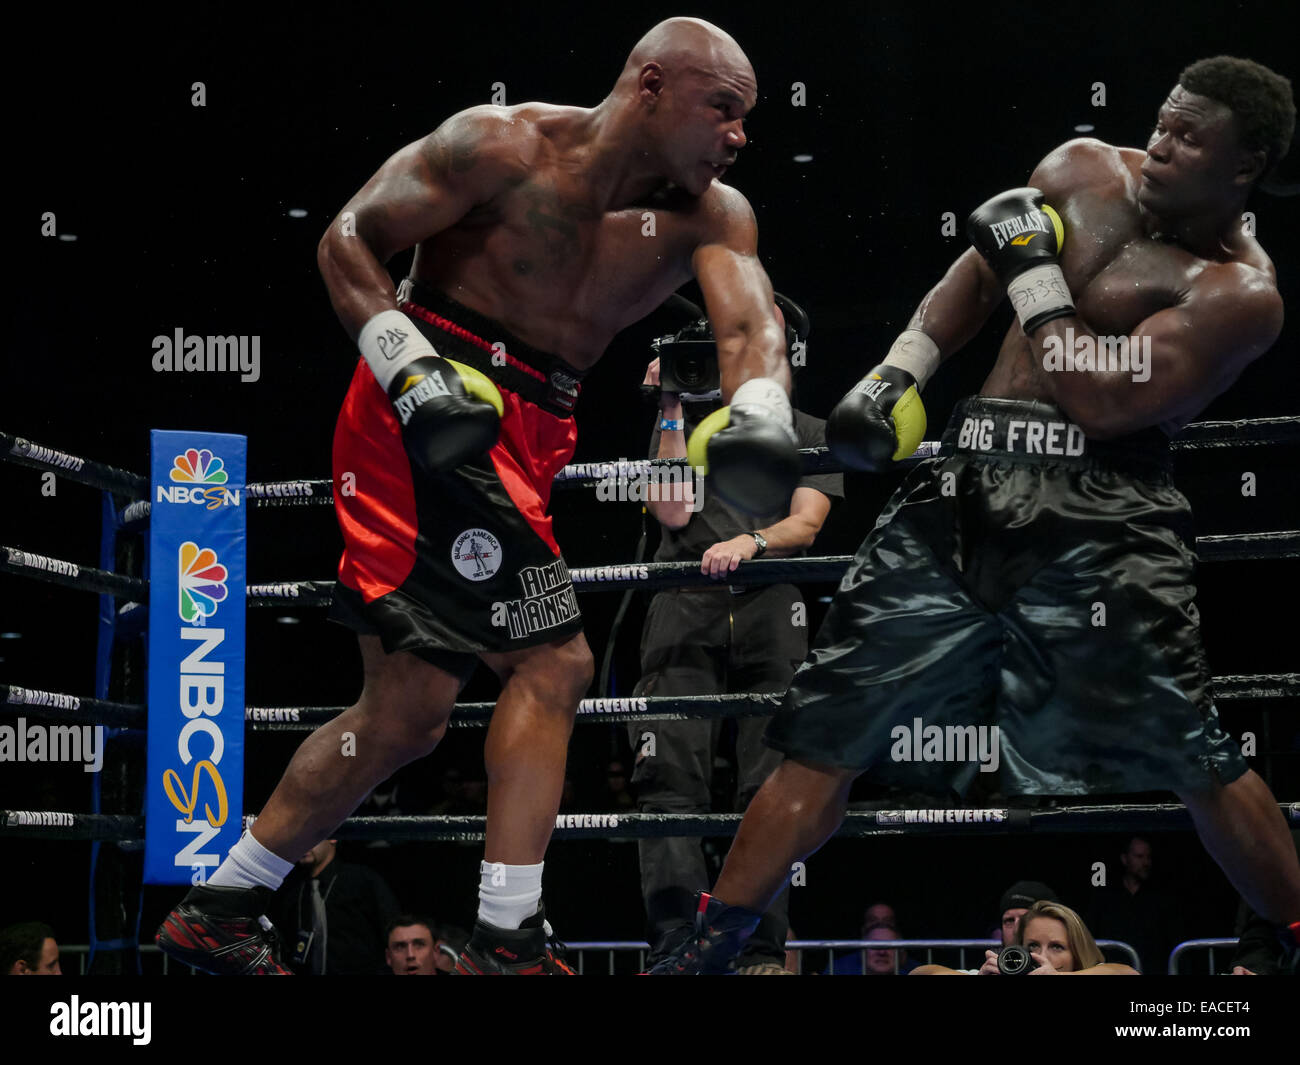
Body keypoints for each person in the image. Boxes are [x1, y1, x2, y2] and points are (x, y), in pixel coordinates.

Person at [157, 16, 798, 976]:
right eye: (725, 109)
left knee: (405, 717)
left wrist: (761, 411)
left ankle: (224, 902)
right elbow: (348, 239)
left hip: (536, 430)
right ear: (651, 85)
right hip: (426, 408)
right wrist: (407, 369)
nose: (740, 134)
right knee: (554, 662)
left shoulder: (714, 214)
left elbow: (750, 321)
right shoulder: (500, 146)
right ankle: (509, 937)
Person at [649, 56, 1300, 975]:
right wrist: (897, 371)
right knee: (826, 730)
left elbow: (1106, 400)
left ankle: (1282, 943)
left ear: (1246, 165)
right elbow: (977, 273)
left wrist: (1037, 273)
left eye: (1191, 137)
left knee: (1189, 746)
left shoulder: (1241, 293)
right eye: (1163, 120)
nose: (1159, 143)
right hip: (966, 485)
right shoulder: (1080, 167)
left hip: (1103, 508)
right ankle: (715, 944)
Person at [632, 336, 841, 975]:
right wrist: (670, 400)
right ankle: (675, 945)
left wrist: (751, 541)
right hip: (681, 592)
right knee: (667, 779)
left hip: (773, 599)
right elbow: (668, 510)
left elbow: (807, 523)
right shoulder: (686, 425)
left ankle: (756, 948)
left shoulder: (807, 428)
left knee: (771, 780)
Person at [272, 839, 400, 975]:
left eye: (312, 834)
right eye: (300, 837)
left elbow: (392, 928)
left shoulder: (360, 880)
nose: (302, 843)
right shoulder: (293, 891)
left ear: (332, 837)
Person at [911, 879, 1059, 974]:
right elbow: (920, 972)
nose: (1016, 929)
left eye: (1026, 920)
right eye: (1009, 920)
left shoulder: (1070, 969)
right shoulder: (988, 971)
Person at [1086, 836, 1175, 972]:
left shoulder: (1161, 899)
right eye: (1139, 857)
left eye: (1148, 857)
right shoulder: (1106, 898)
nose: (1145, 862)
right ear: (1125, 859)